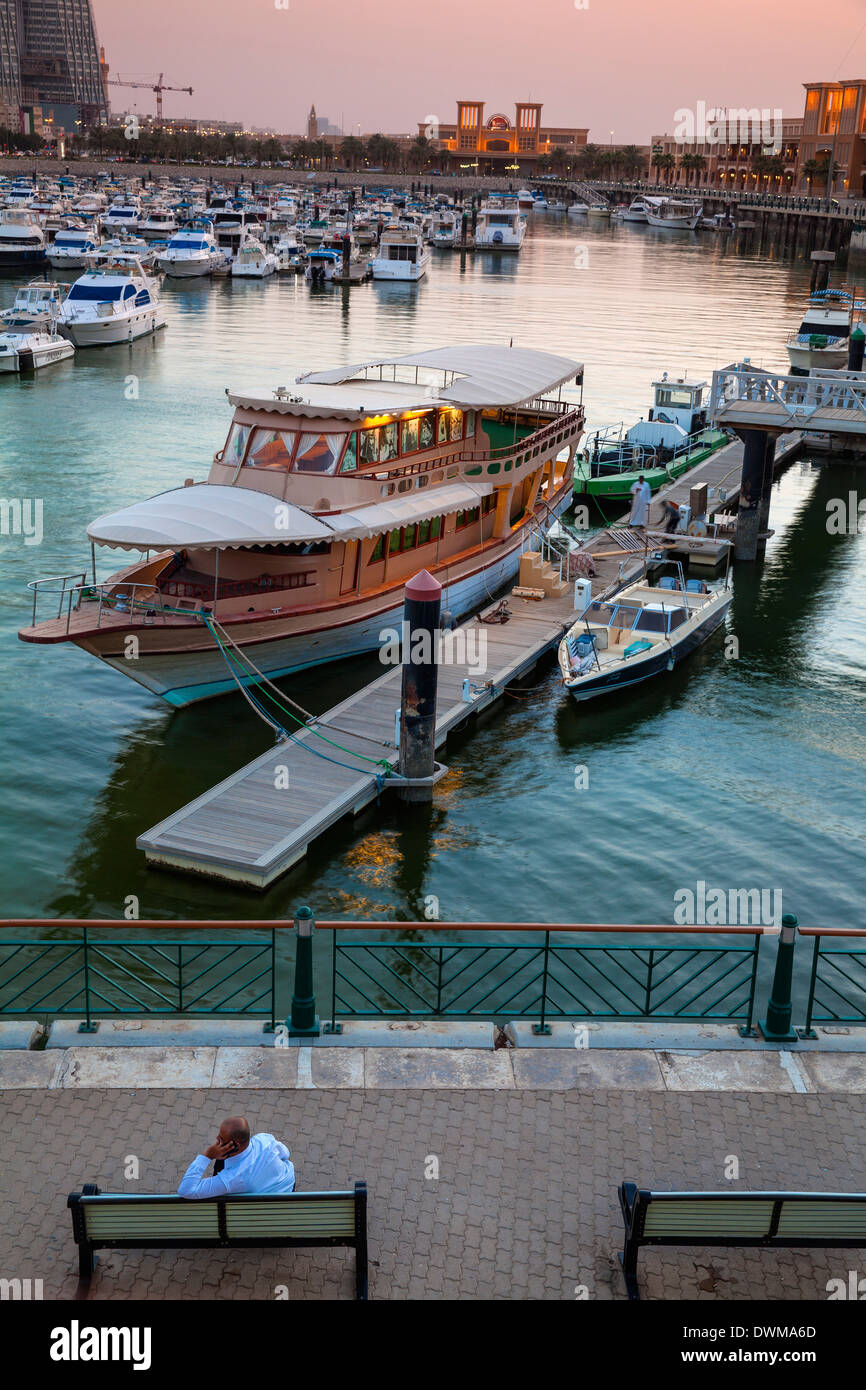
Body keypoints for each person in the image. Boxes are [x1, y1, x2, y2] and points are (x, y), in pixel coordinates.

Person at [177, 1116, 295, 1199]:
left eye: (221, 1138)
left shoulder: (233, 1178)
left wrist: (207, 1155)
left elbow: (186, 1190)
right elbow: (286, 1154)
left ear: (235, 1145)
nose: (217, 1139)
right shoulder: (264, 1139)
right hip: (289, 1186)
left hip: (265, 1207)